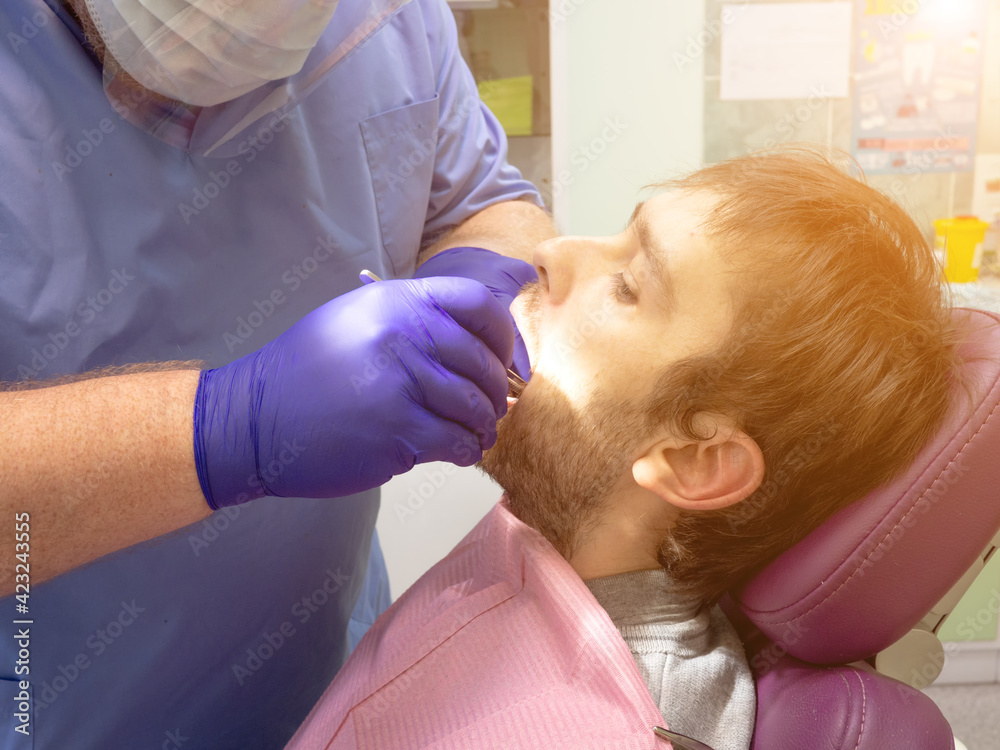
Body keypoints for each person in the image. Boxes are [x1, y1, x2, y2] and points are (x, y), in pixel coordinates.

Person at [0, 0, 555, 747]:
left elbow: (484, 203)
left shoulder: (392, 22)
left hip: (322, 689)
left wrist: (482, 268)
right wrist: (232, 428)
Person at [283, 149, 963, 750]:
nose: (549, 253)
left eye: (628, 285)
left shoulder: (603, 727)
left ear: (697, 461)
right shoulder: (553, 523)